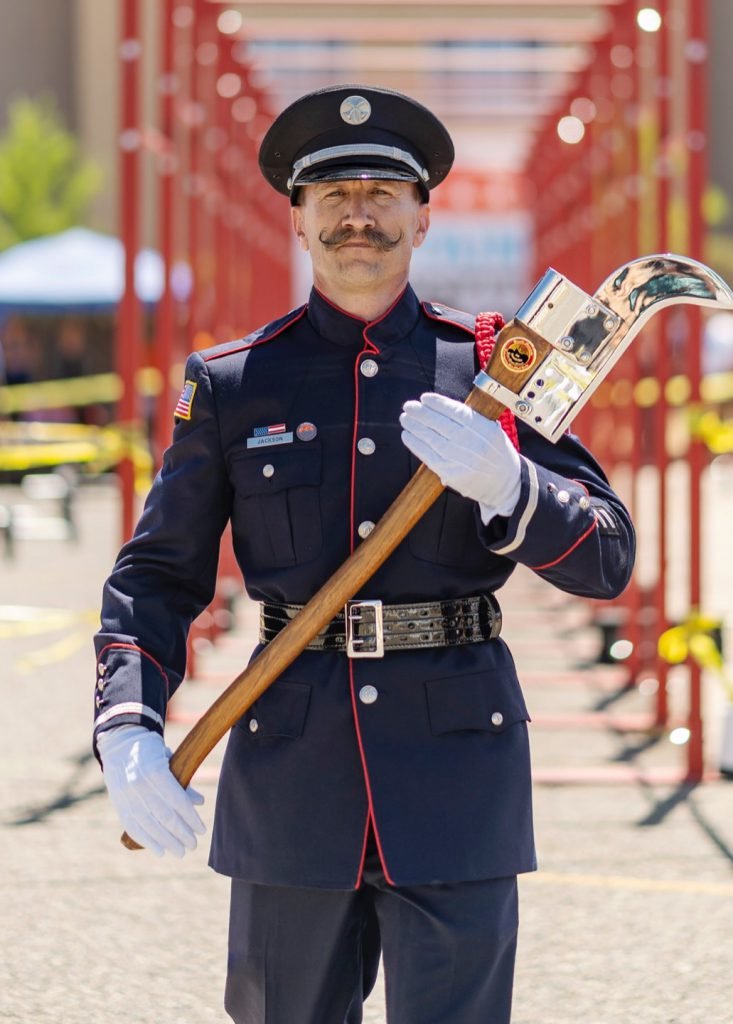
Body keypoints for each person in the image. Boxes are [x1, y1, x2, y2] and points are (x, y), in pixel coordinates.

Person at [94, 85, 635, 1024]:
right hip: (292, 780)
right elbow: (156, 575)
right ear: (297, 218)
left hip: (456, 773)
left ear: (424, 217)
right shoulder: (232, 383)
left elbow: (608, 557)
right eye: (332, 192)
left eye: (384, 190)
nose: (358, 213)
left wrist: (514, 490)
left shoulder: (500, 366)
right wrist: (127, 724)